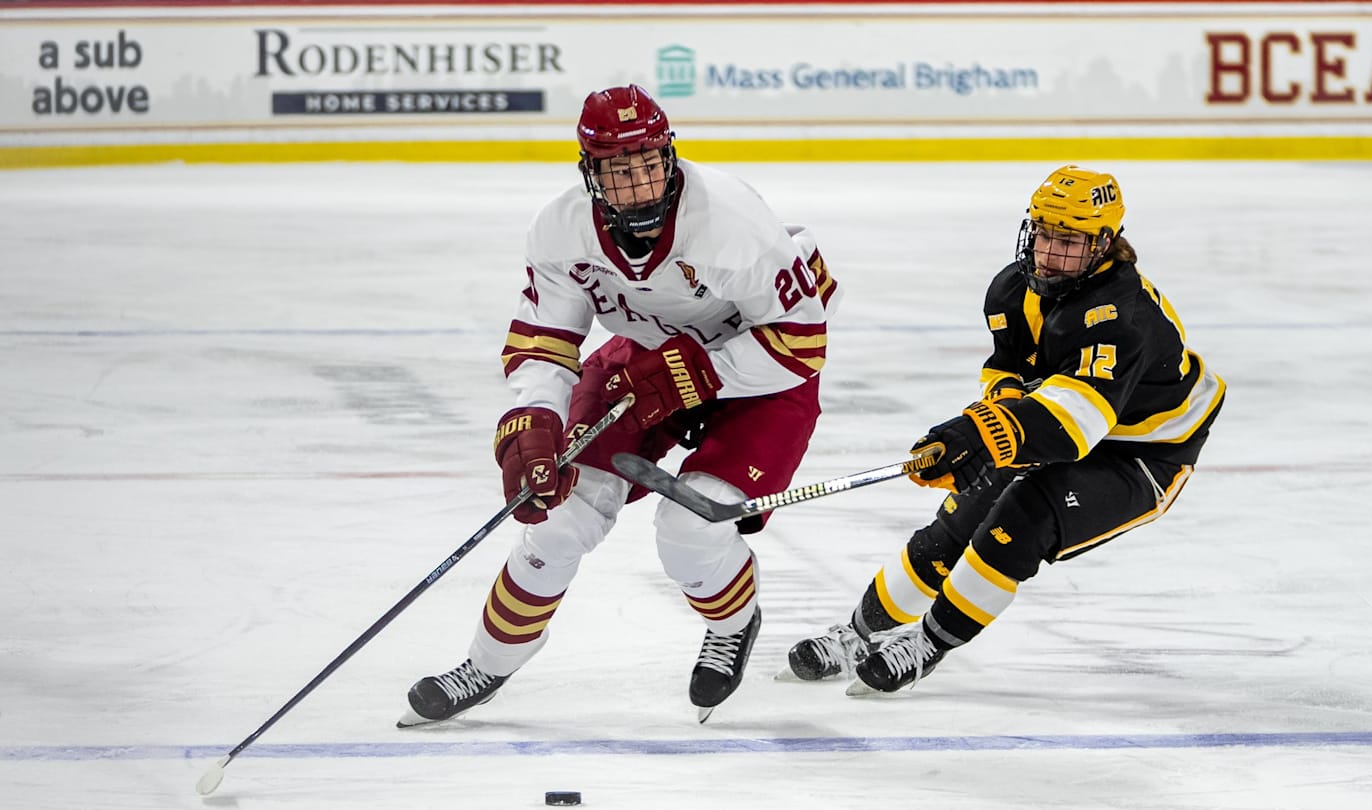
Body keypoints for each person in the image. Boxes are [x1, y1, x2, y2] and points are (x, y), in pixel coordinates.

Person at [399, 84, 839, 726]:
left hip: (760, 377)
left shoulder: (733, 222)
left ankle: (734, 623)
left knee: (690, 531)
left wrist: (696, 374)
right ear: (590, 172)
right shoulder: (560, 228)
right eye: (618, 167)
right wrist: (536, 418)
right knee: (553, 520)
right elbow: (545, 340)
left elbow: (801, 344)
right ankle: (486, 664)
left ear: (669, 155)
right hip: (646, 359)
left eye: (649, 161)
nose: (639, 180)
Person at [779, 165, 1224, 694]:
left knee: (1020, 520)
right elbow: (1009, 372)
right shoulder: (1013, 290)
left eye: (1069, 241)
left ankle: (927, 644)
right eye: (1044, 233)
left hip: (1143, 455)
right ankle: (855, 635)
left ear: (1104, 243)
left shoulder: (1119, 316)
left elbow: (1073, 426)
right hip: (1062, 421)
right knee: (953, 526)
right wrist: (986, 425)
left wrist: (977, 433)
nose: (1048, 253)